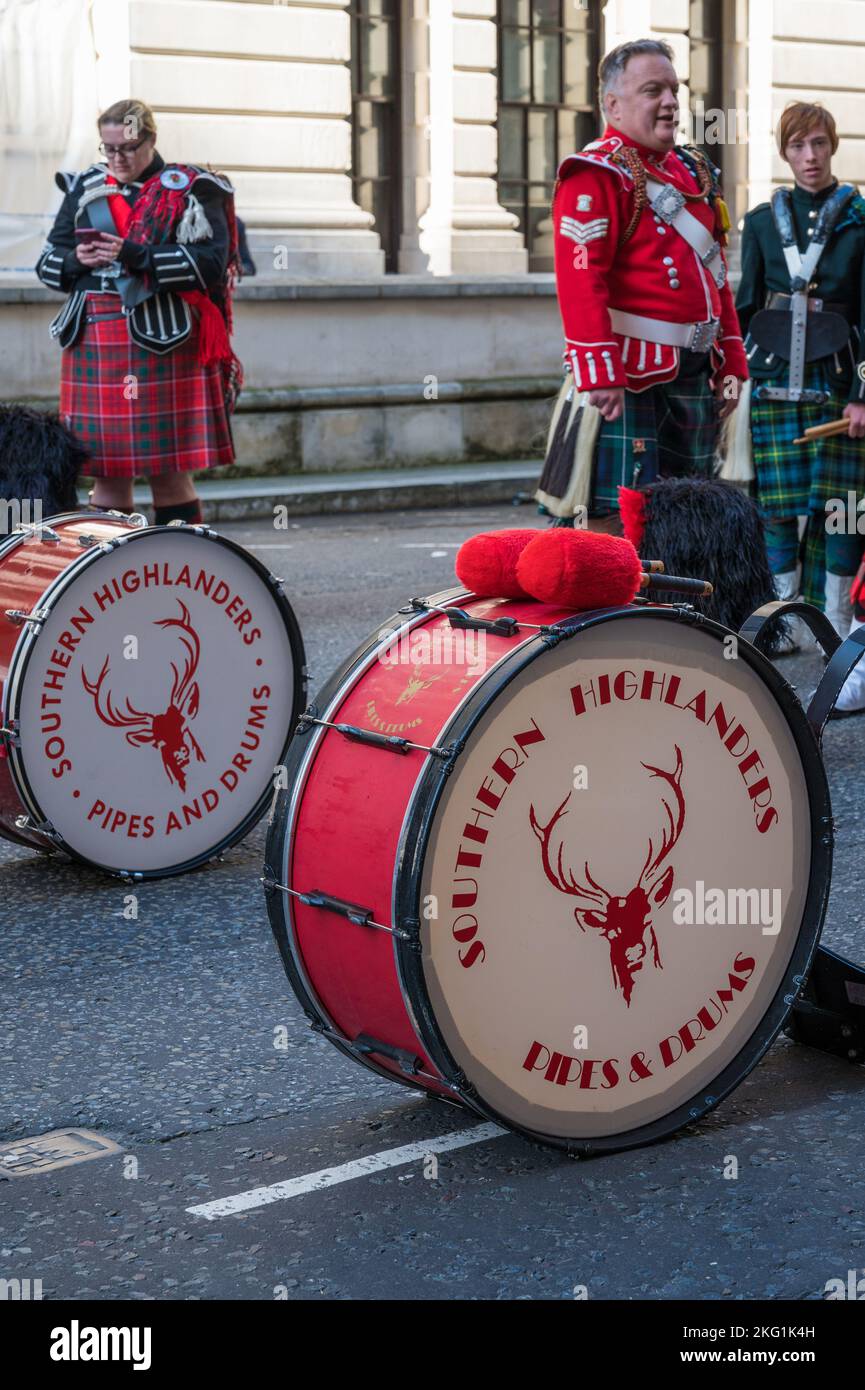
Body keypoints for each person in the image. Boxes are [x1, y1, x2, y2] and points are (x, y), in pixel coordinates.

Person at [545, 38, 748, 523]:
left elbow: (716, 275)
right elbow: (579, 276)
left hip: (696, 370)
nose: (671, 103)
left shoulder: (694, 171)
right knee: (618, 521)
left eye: (674, 91)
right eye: (653, 90)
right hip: (629, 375)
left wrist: (732, 360)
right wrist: (599, 372)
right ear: (612, 104)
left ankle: (681, 602)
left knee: (691, 518)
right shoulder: (594, 173)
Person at [35, 98, 242, 525]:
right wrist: (80, 260)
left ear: (150, 139)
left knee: (169, 476)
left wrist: (134, 254)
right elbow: (48, 263)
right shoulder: (85, 186)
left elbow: (210, 264)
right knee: (106, 474)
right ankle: (115, 575)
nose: (117, 158)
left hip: (164, 340)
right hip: (94, 339)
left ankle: (183, 565)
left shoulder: (191, 187)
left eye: (127, 148)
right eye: (108, 148)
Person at [736, 101, 865, 636]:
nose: (809, 156)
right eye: (797, 145)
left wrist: (863, 394)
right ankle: (782, 622)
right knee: (776, 512)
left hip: (838, 382)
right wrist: (734, 380)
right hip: (772, 383)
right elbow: (743, 308)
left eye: (817, 143)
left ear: (832, 145)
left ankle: (836, 626)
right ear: (784, 151)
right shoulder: (761, 224)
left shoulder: (860, 224)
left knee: (842, 509)